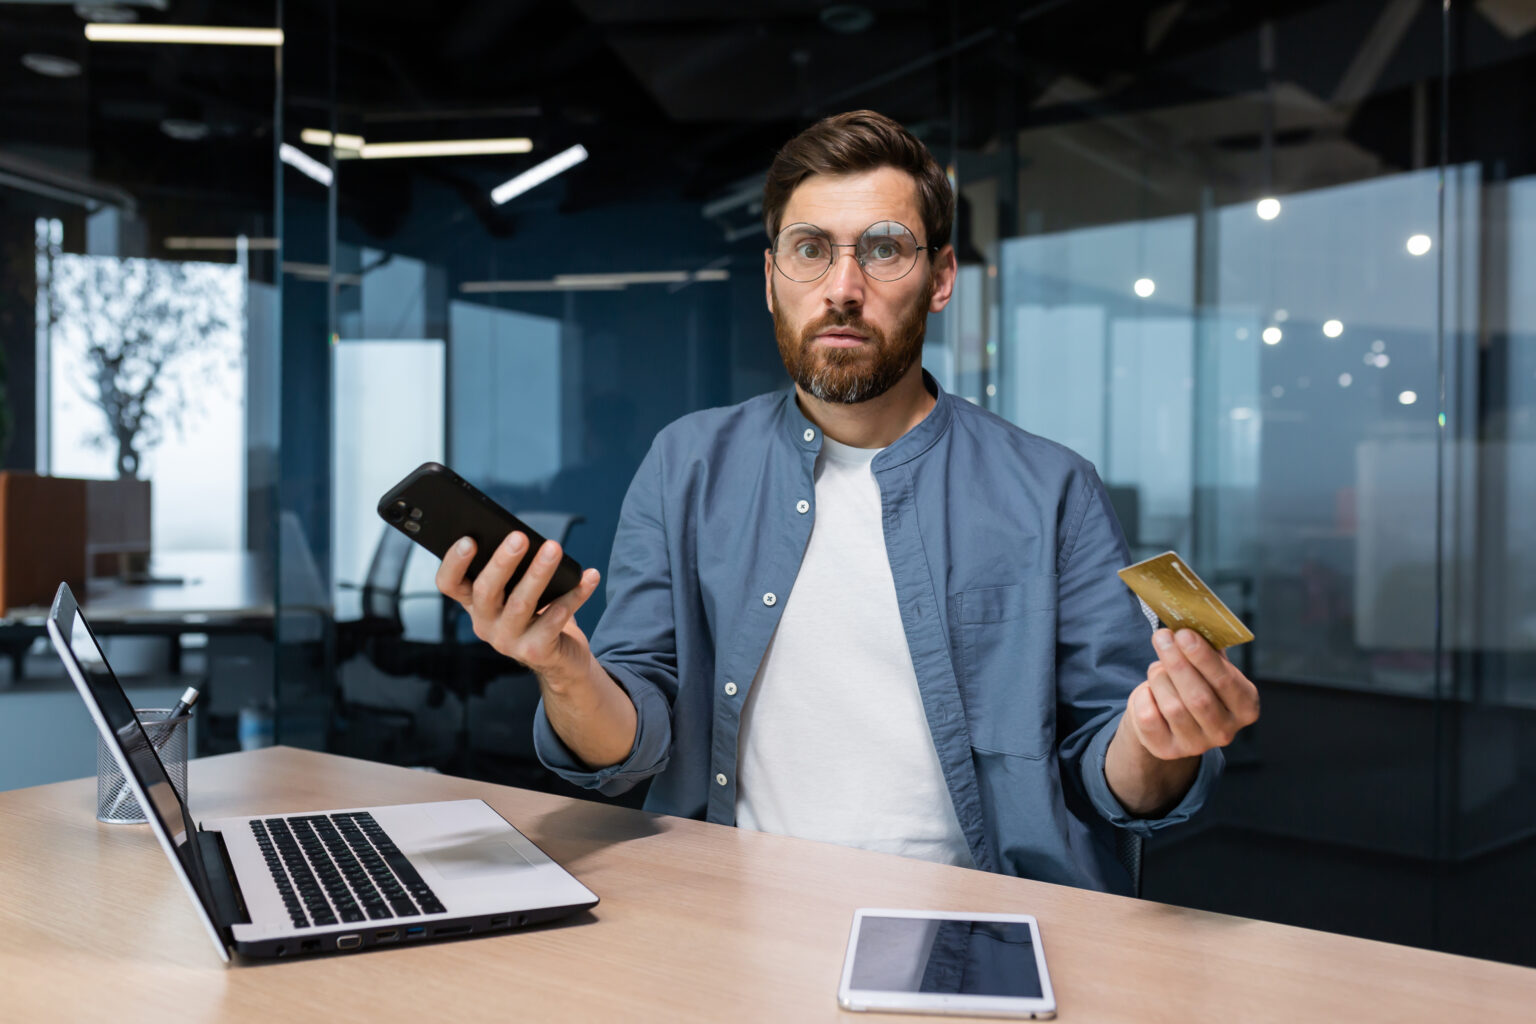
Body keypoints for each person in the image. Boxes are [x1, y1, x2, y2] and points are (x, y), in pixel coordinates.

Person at [436, 110, 1260, 894]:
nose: (843, 286)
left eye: (884, 250)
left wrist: (1163, 742)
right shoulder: (686, 463)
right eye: (809, 250)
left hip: (984, 915)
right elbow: (632, 739)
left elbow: (1107, 768)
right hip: (731, 905)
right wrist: (565, 670)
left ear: (940, 279)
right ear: (770, 279)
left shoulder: (1053, 489)